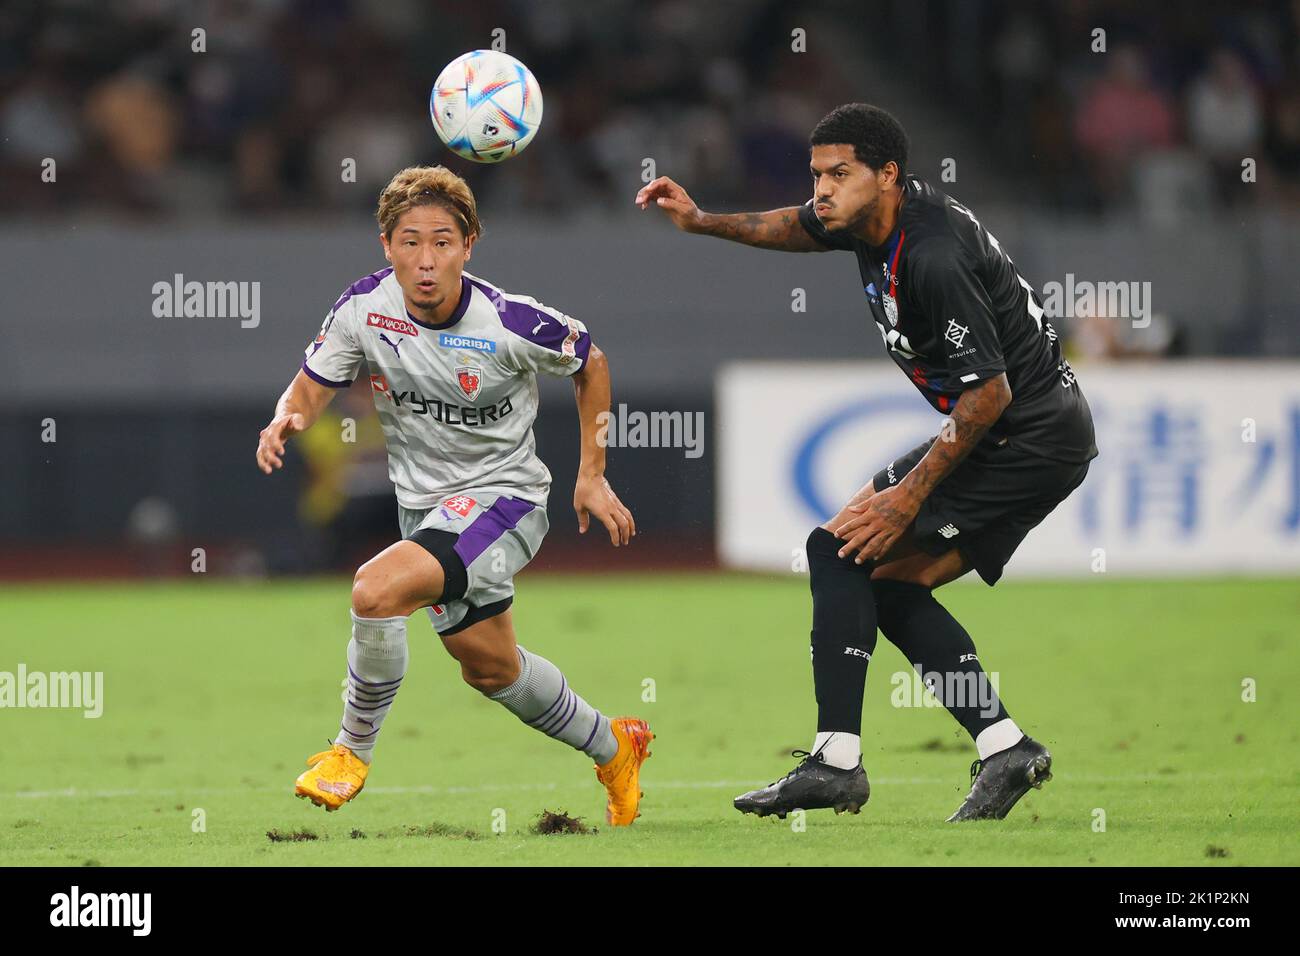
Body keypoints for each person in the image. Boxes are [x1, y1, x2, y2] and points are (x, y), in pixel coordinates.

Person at [635, 103, 1096, 821]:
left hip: (1022, 434)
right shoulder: (867, 216)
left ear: (887, 176)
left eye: (838, 174)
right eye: (817, 173)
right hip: (1021, 430)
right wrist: (704, 222)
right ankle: (1005, 747)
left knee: (839, 548)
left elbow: (989, 393)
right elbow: (797, 225)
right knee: (883, 584)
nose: (822, 189)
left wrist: (906, 498)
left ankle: (837, 763)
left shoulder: (932, 256)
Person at [257, 165, 652, 825]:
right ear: (387, 246)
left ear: (470, 245)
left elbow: (591, 361)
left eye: (443, 241)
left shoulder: (509, 321)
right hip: (429, 515)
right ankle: (615, 747)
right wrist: (287, 416)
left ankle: (349, 752)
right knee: (491, 669)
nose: (426, 259)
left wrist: (591, 472)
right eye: (410, 241)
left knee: (373, 590)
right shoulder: (364, 308)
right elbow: (311, 382)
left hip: (505, 502)